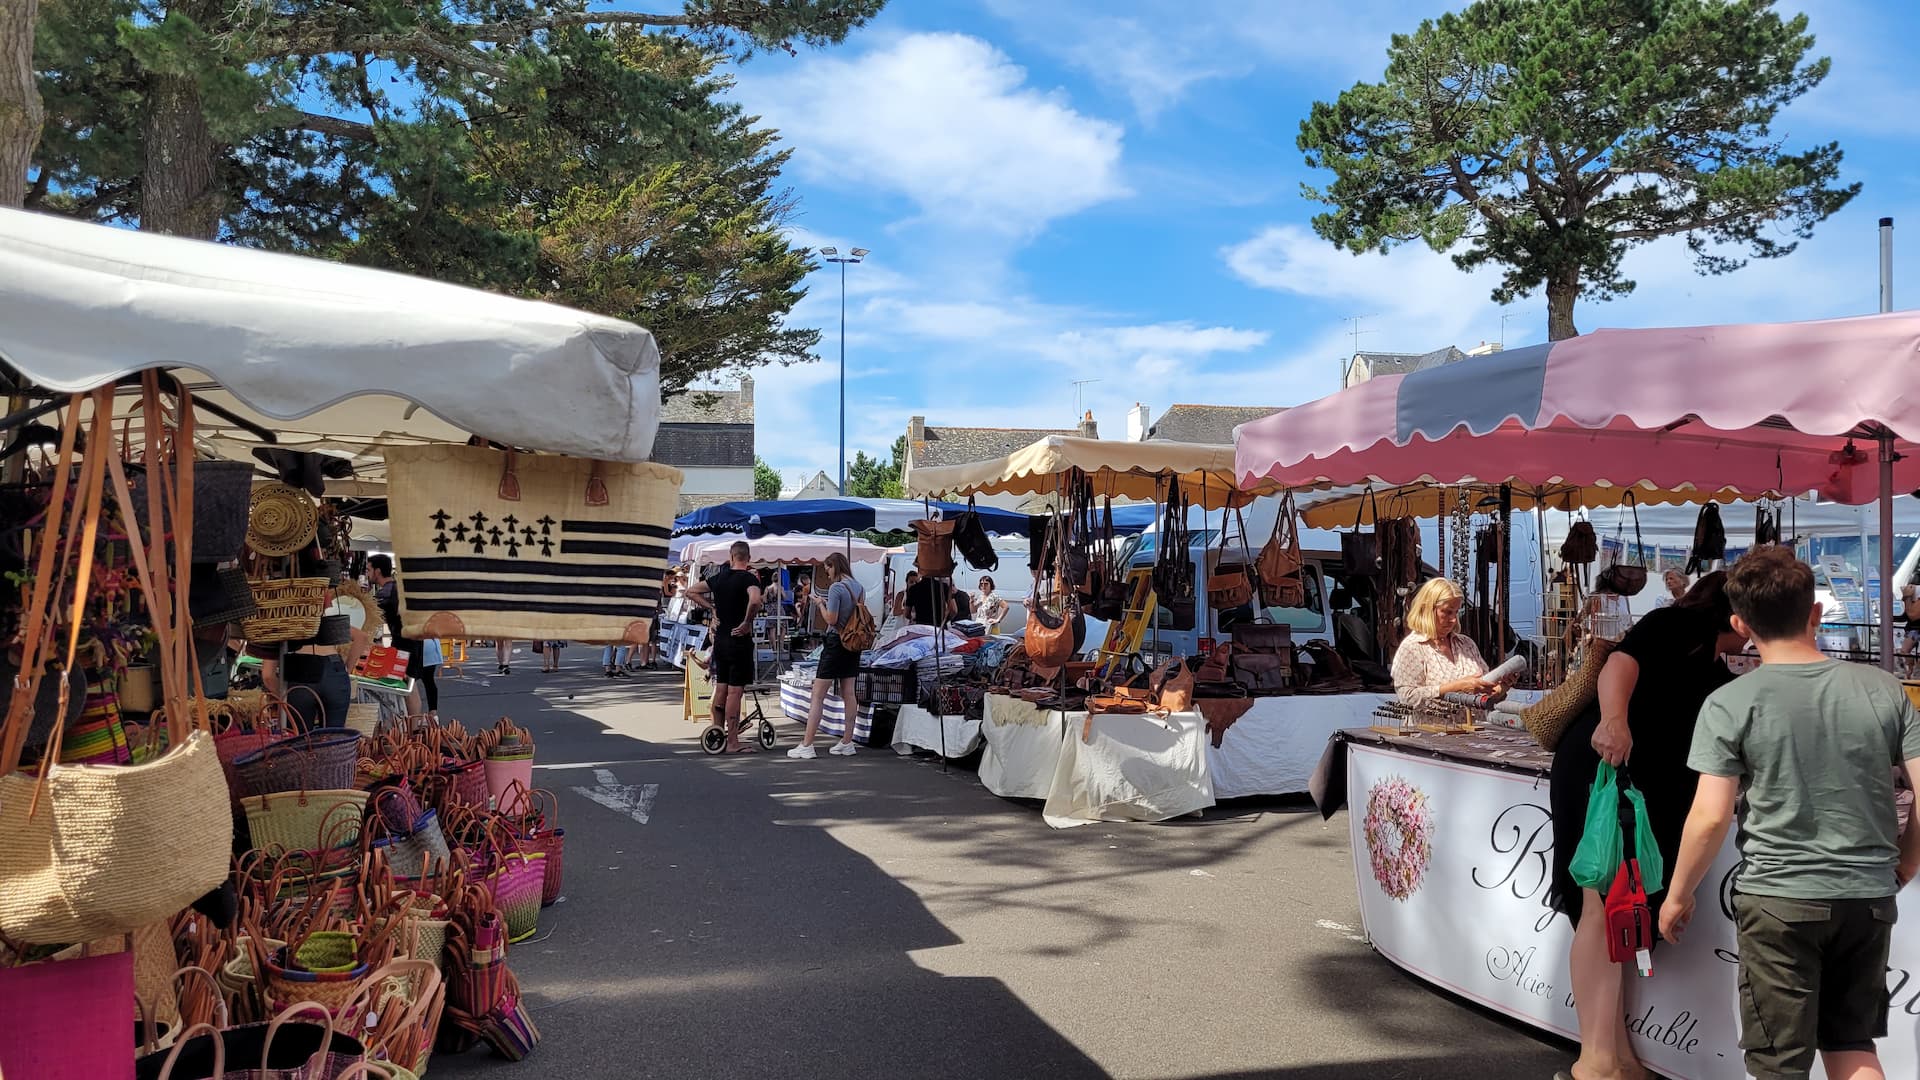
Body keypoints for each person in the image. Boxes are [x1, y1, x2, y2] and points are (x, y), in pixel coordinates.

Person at [1661, 549, 1920, 1080]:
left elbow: (1710, 817)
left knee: (1779, 1064)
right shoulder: (1883, 688)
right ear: (1816, 613)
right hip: (1867, 895)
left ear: (1740, 623)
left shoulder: (1730, 702)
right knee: (1852, 1045)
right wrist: (1907, 862)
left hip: (1780, 900)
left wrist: (1679, 894)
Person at [1548, 570, 1746, 1080]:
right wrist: (1614, 719)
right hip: (1608, 772)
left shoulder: (1717, 667)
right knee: (1601, 905)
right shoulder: (1673, 626)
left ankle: (1615, 1056)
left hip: (1636, 782)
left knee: (1617, 912)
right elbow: (1618, 664)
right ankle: (1594, 1063)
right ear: (1735, 612)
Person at [685, 541, 761, 753]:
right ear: (748, 557)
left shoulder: (719, 577)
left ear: (731, 556)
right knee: (735, 692)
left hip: (720, 640)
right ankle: (733, 741)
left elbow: (691, 591)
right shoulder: (749, 578)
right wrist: (747, 622)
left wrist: (713, 609)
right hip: (739, 640)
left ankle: (717, 733)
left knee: (721, 688)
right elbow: (755, 600)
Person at [789, 551, 864, 759]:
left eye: (828, 568)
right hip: (853, 642)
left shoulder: (836, 588)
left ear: (835, 566)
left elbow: (831, 619)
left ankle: (807, 744)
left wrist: (820, 604)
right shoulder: (859, 588)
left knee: (818, 694)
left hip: (835, 642)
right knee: (849, 692)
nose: (827, 573)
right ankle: (847, 741)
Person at [1391, 578, 1508, 706]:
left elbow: (1485, 695)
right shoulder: (1412, 647)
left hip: (1474, 725)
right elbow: (1407, 697)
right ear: (1428, 610)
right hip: (1431, 725)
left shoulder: (1466, 644)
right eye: (1447, 612)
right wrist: (1457, 686)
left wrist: (1500, 689)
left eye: (1456, 612)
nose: (1453, 619)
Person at [368, 554, 431, 719]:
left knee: (407, 686)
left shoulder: (384, 594)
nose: (367, 574)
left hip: (404, 644)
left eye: (369, 569)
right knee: (410, 685)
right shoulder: (399, 588)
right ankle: (415, 725)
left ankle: (414, 726)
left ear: (378, 571)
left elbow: (372, 619)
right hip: (414, 641)